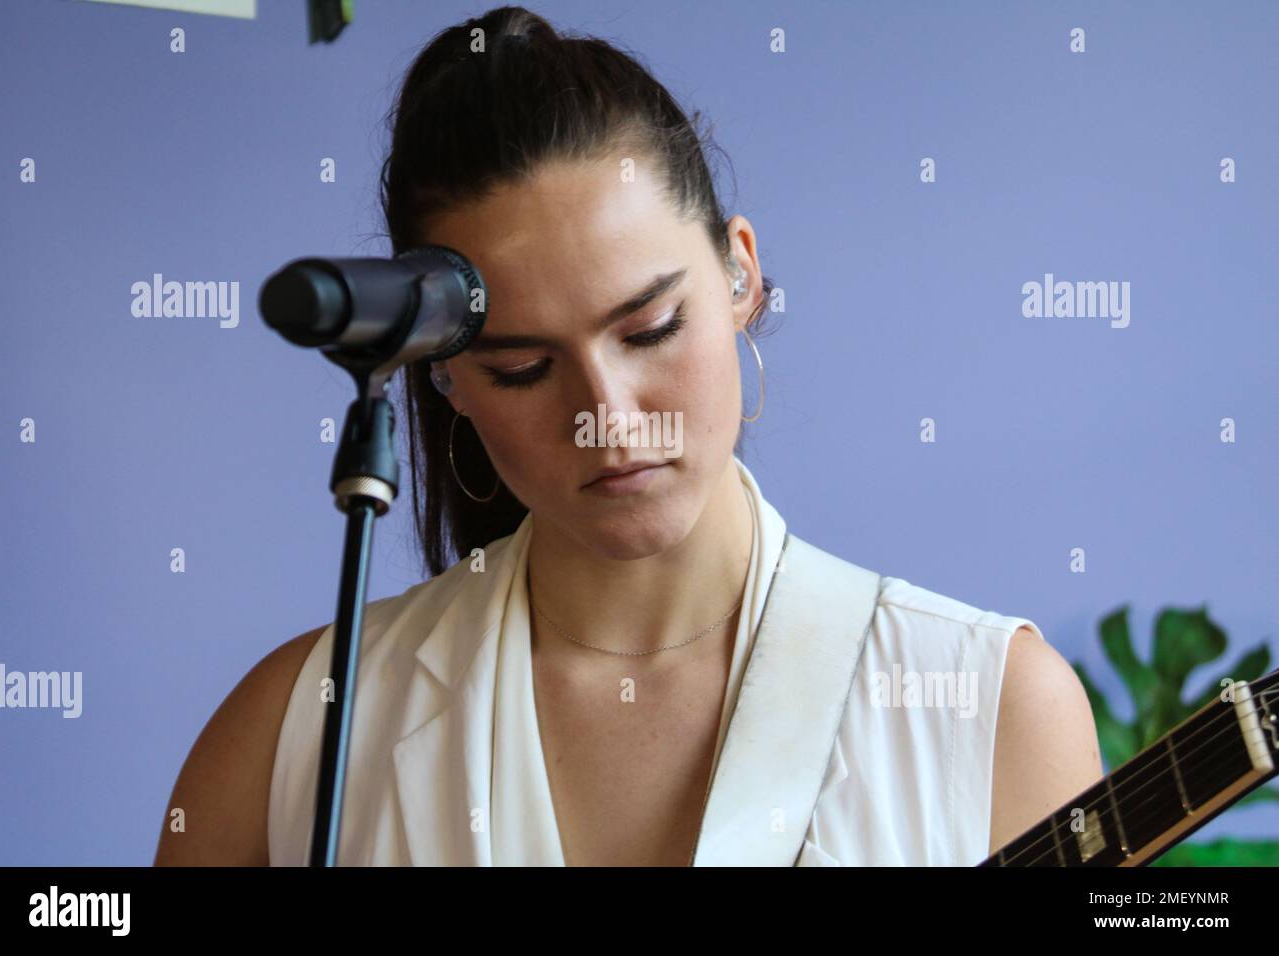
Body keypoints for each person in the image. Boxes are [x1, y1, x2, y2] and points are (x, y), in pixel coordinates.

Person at [154, 5, 1101, 867]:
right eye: (521, 368)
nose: (607, 416)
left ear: (739, 274)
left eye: (648, 330)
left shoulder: (992, 707)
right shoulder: (296, 735)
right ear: (443, 373)